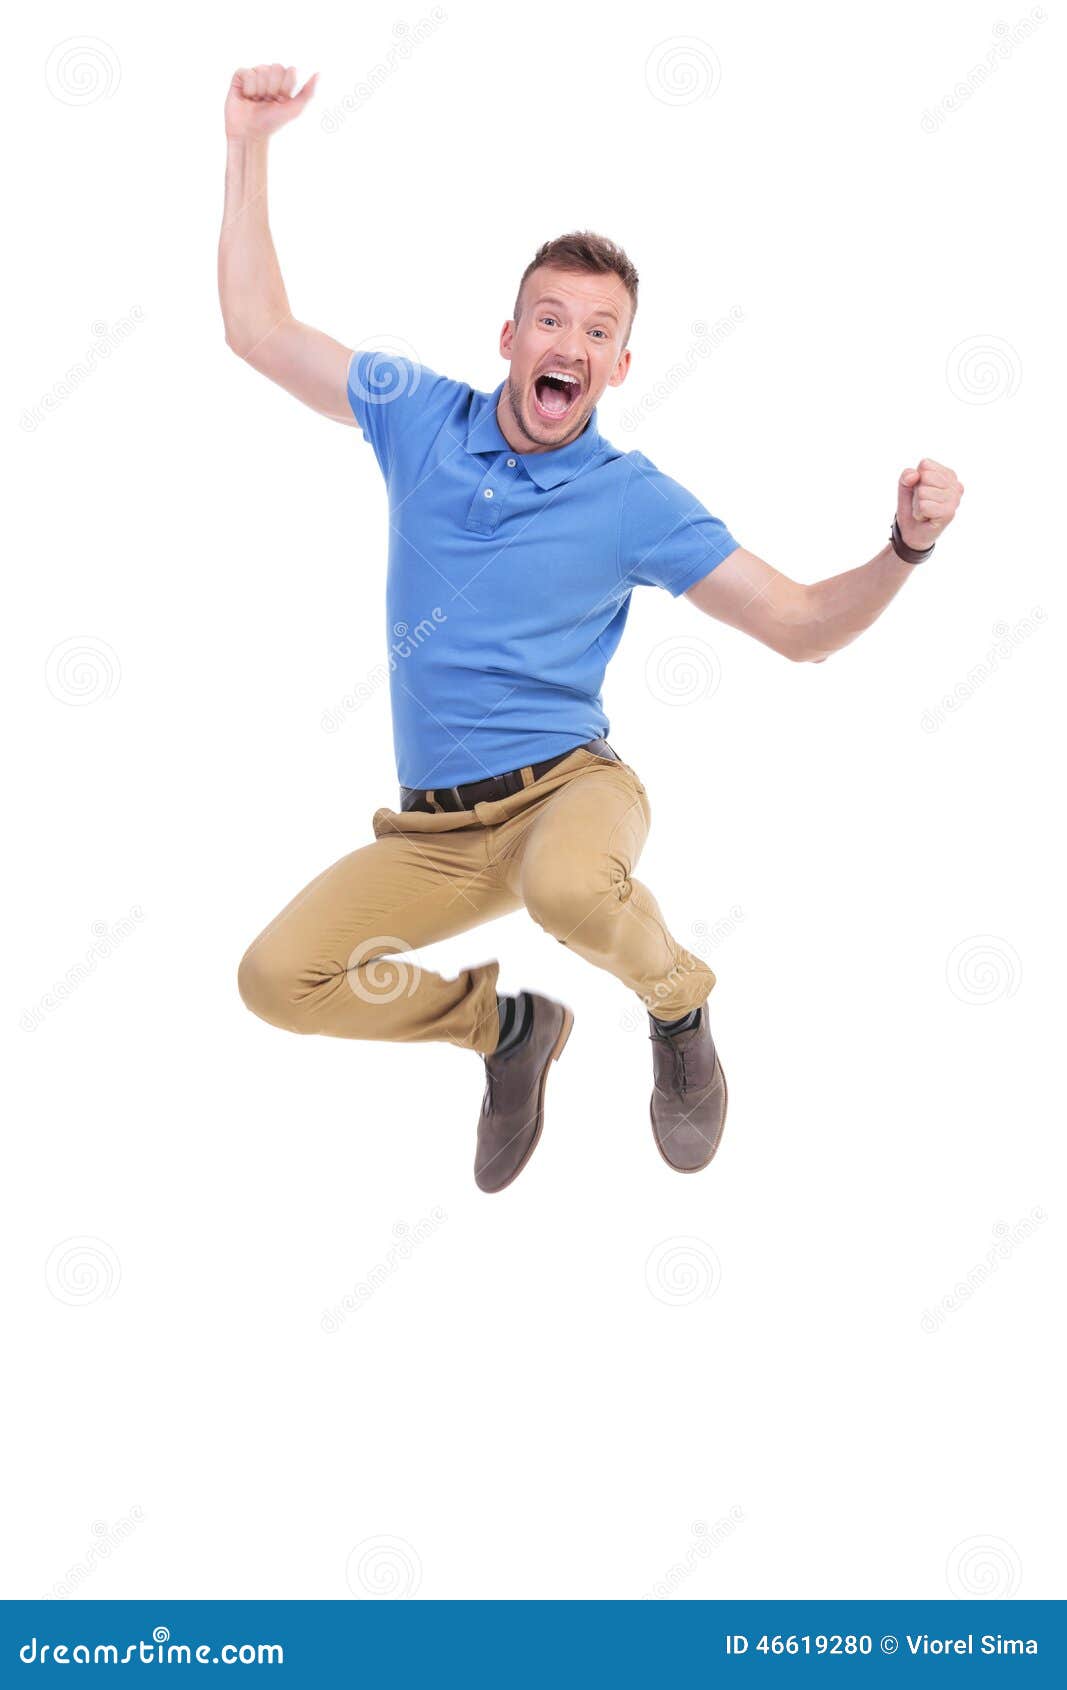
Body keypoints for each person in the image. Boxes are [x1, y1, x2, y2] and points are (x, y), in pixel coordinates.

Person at [218, 63, 964, 1194]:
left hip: (572, 792)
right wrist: (247, 144)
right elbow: (259, 328)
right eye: (550, 319)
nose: (568, 342)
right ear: (509, 336)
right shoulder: (417, 413)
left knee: (570, 890)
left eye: (598, 330)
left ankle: (679, 1005)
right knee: (279, 978)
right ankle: (508, 1032)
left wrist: (902, 547)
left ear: (616, 367)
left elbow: (805, 625)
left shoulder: (631, 499)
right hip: (433, 835)